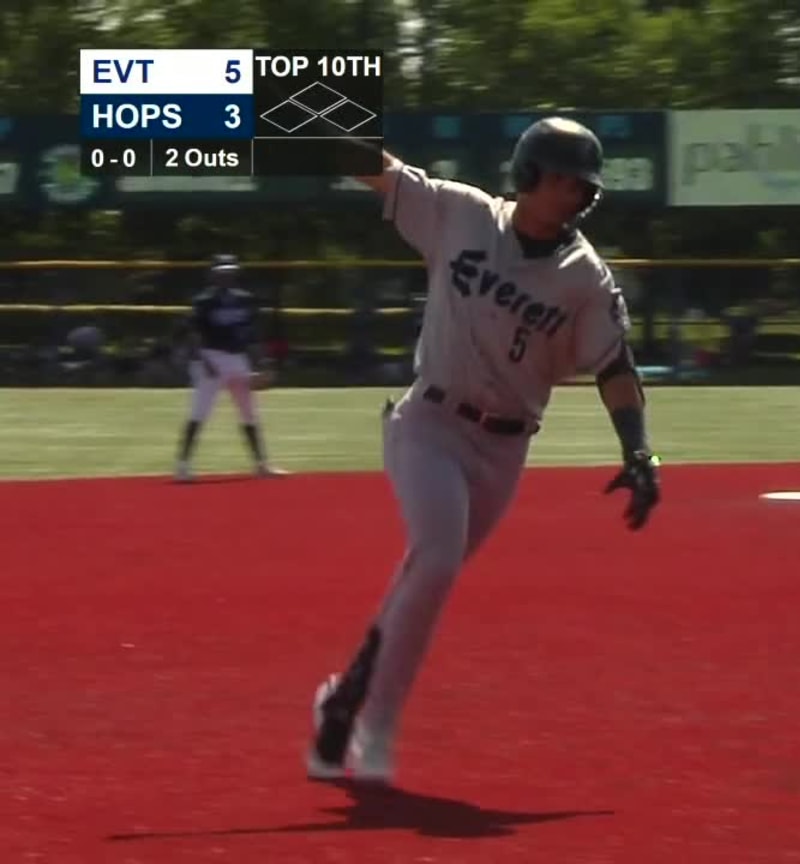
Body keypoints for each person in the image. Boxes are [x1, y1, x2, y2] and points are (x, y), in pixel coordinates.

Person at [304, 118, 662, 785]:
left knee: (425, 580)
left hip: (504, 451)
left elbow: (614, 365)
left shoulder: (585, 277)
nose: (576, 193)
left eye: (584, 184)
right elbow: (383, 169)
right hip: (430, 424)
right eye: (562, 179)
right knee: (436, 557)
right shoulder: (461, 215)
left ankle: (346, 695)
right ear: (528, 175)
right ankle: (375, 727)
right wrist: (289, 118)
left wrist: (638, 452)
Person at [174, 254, 285, 482]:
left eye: (230, 272)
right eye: (222, 272)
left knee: (250, 413)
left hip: (238, 359)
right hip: (210, 357)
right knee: (199, 413)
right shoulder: (203, 301)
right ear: (213, 274)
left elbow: (253, 335)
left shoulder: (245, 299)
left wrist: (262, 361)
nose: (226, 276)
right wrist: (204, 362)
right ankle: (182, 466)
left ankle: (261, 465)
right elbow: (192, 333)